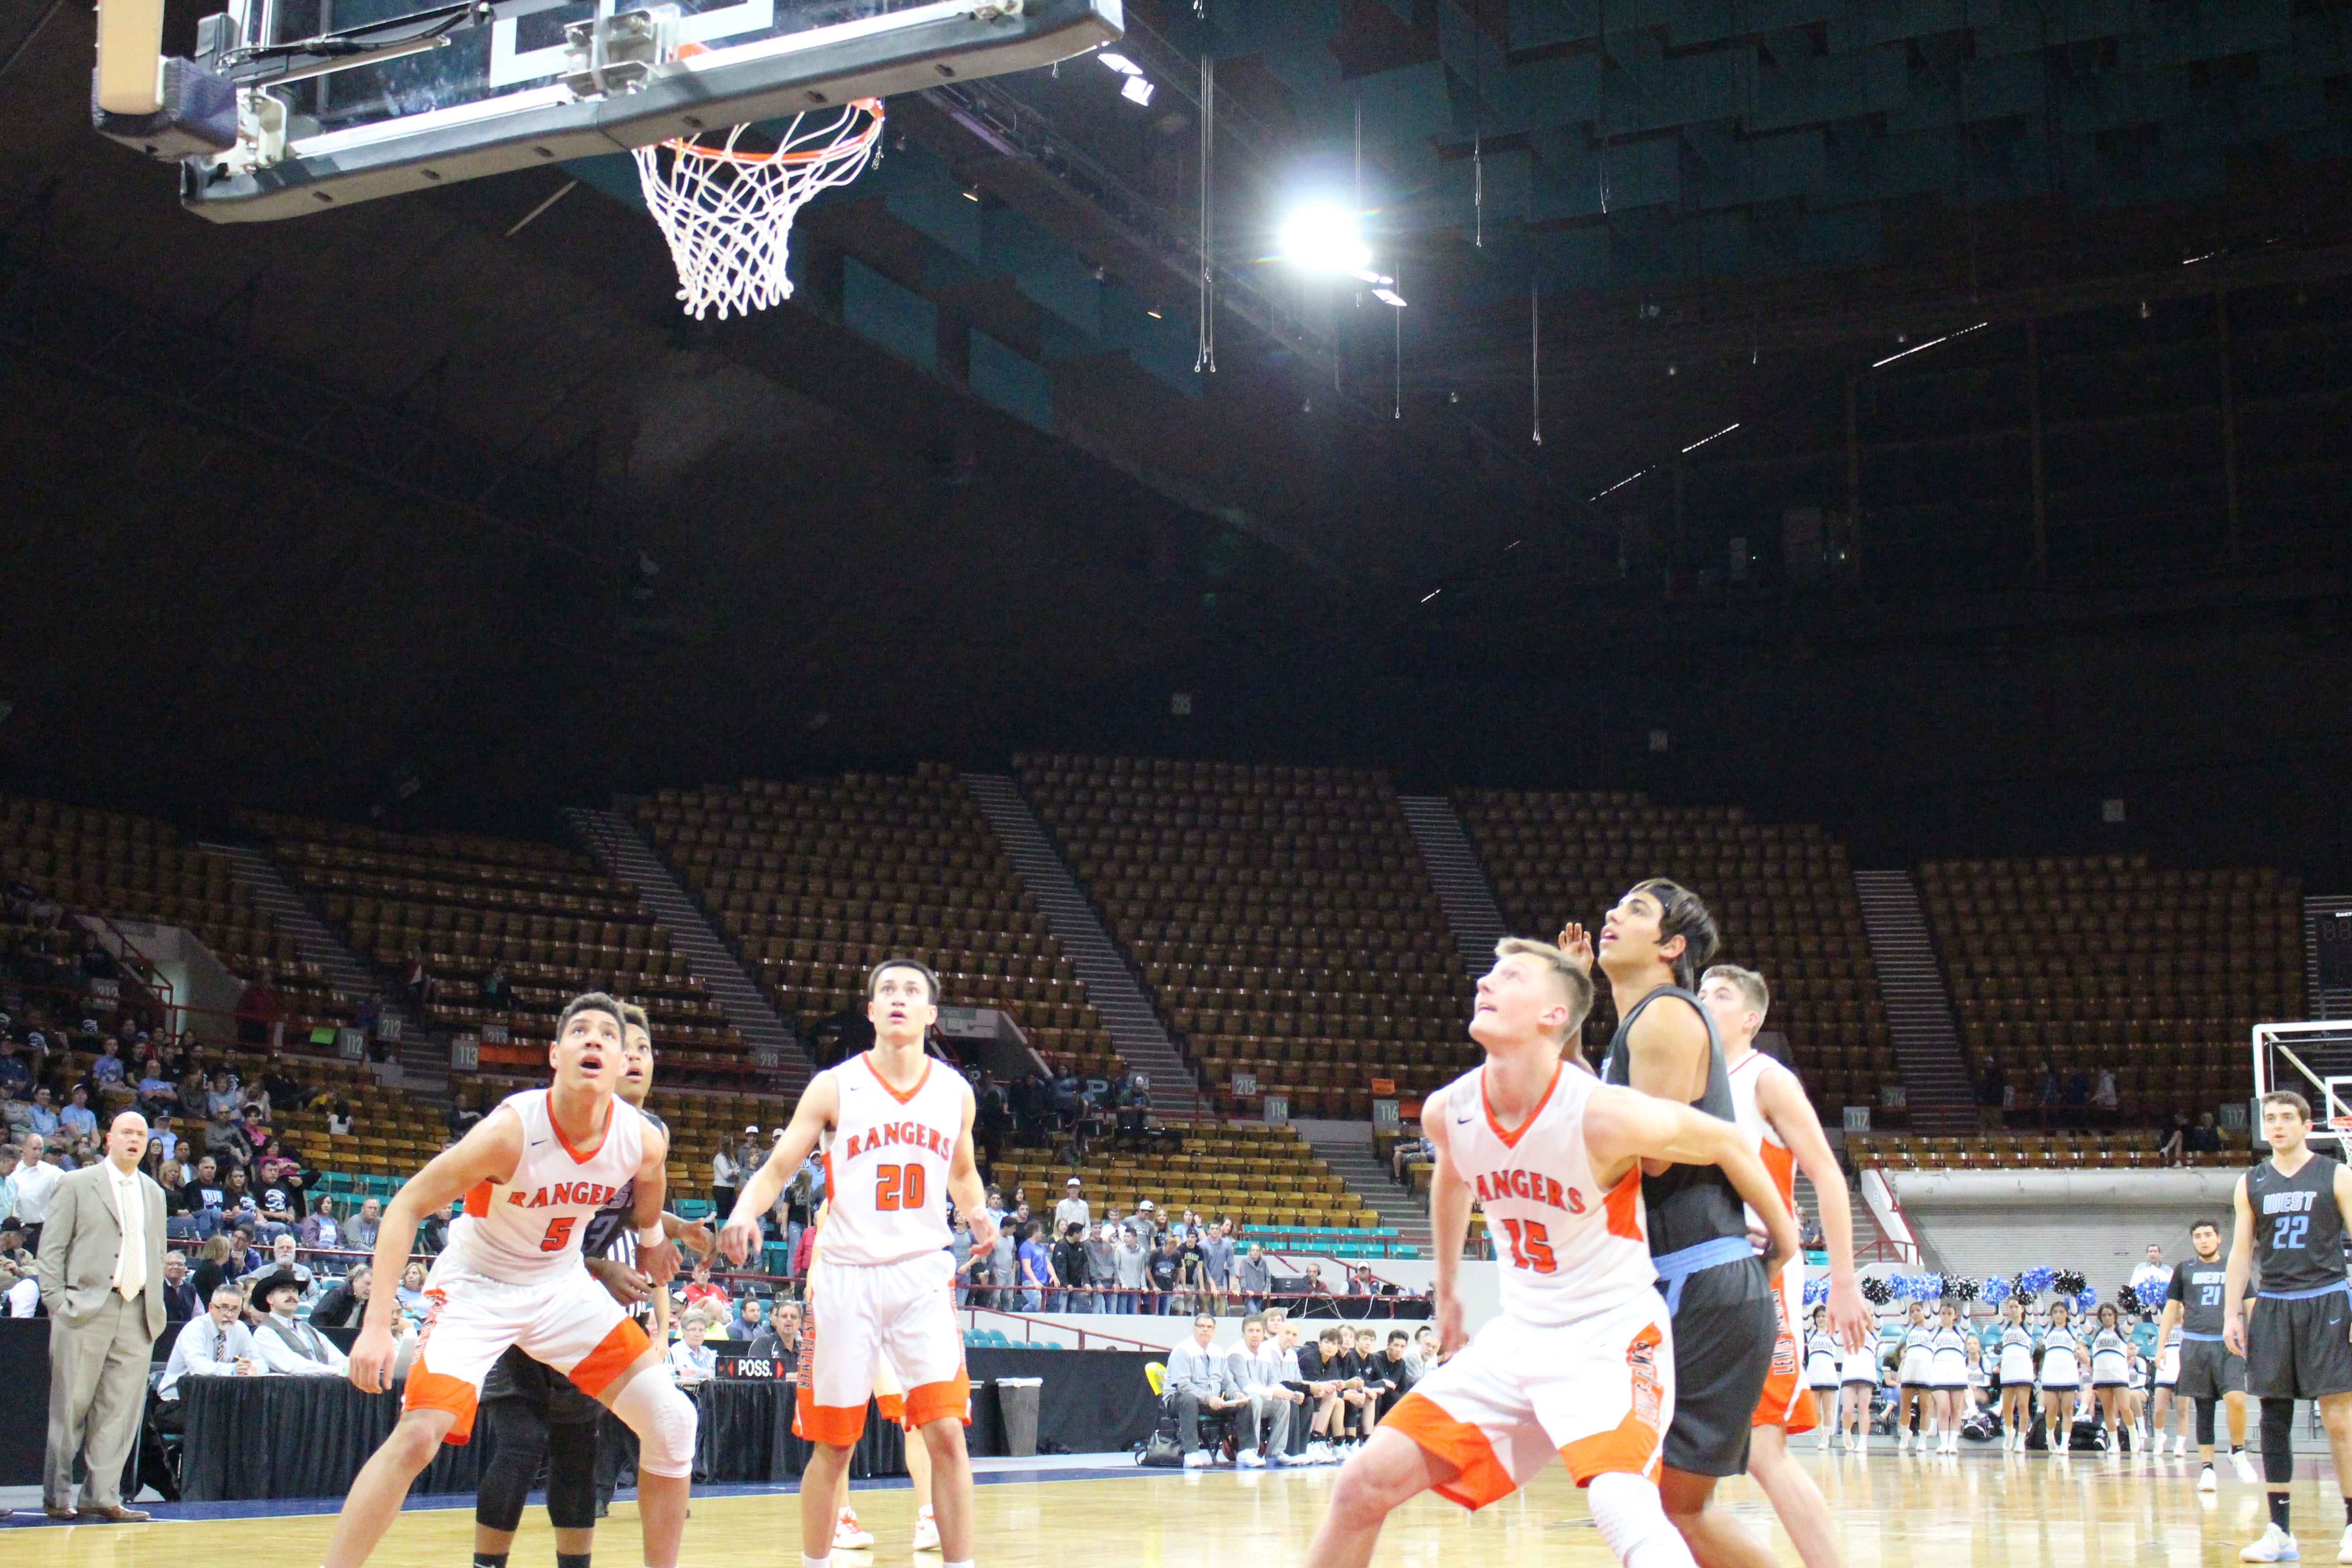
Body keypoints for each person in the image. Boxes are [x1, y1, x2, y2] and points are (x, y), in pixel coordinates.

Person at [1303, 938, 1795, 1568]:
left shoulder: (1601, 1114)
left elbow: (1726, 1139)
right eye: (1489, 974)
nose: (1485, 983)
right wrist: (1447, 1289)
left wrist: (1782, 1233)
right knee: (1361, 1485)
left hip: (1611, 1339)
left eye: (1510, 977)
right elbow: (1453, 1177)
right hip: (1519, 1338)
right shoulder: (1450, 1110)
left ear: (1554, 1015)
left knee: (1624, 1505)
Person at [317, 994, 695, 1568]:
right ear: (555, 1055)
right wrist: (375, 1327)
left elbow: (652, 1177)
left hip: (561, 1288)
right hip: (479, 1286)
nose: (593, 1039)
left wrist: (651, 1239)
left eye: (607, 1034)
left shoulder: (641, 1137)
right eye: (579, 1032)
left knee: (673, 1419)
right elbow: (407, 1204)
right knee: (419, 1436)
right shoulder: (511, 1131)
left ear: (622, 1062)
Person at [718, 957, 997, 1568]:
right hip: (846, 1278)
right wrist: (743, 1212)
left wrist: (978, 1213)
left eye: (912, 990)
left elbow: (962, 1173)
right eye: (886, 990)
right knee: (835, 1445)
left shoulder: (954, 1091)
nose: (898, 997)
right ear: (870, 1011)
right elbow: (778, 1167)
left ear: (930, 1013)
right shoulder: (834, 1086)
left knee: (947, 1434)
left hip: (921, 1277)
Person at [1562, 884, 1785, 1567]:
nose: (1611, 915)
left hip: (1700, 1283)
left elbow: (1651, 1151)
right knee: (1662, 1507)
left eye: (1635, 911)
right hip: (1693, 1281)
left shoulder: (1664, 1015)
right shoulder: (1642, 1022)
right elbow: (1615, 1110)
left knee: (1675, 1511)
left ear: (1672, 946)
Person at [1700, 963, 1869, 1563]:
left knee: (1764, 1447)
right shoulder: (1684, 1082)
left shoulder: (1766, 1079)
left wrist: (1842, 1280)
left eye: (1720, 995)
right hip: (1692, 1275)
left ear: (1751, 1018)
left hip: (1759, 1272)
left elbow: (1826, 1172)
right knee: (1681, 1458)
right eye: (1700, 992)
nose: (1703, 1000)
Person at [2225, 1090, 2352, 1563]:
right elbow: (2241, 1253)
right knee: (2274, 1419)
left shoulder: (2336, 1174)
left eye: (2285, 1117)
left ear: (2306, 1125)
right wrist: (2231, 1313)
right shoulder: (2251, 1182)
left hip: (2327, 1300)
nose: (2276, 1125)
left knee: (2339, 1419)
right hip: (2274, 1305)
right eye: (2270, 1118)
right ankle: (2279, 1532)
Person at [34, 1108, 167, 1521]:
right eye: (126, 1132)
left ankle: (103, 1495)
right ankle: (58, 1496)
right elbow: (51, 1249)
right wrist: (57, 1301)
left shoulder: (154, 1192)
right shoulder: (76, 1183)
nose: (135, 1140)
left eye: (141, 1134)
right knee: (70, 1408)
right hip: (86, 1308)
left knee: (120, 1412)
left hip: (138, 1311)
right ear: (109, 1138)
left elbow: (157, 1252)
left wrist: (155, 1305)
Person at [2160, 1216, 2257, 1487]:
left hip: (2229, 1345)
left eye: (2208, 1235)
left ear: (2219, 1238)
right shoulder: (2184, 1270)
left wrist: (2258, 1341)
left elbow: (2251, 1304)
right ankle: (2207, 1469)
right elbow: (2171, 1309)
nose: (2203, 1240)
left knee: (2237, 1399)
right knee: (2204, 1408)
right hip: (2195, 1345)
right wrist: (2161, 1346)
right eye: (2198, 1236)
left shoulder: (2234, 1266)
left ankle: (2238, 1451)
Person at [155, 1282, 260, 1430]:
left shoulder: (241, 1329)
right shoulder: (195, 1329)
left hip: (215, 1402)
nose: (229, 1314)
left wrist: (252, 1368)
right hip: (178, 1402)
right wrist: (233, 1370)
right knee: (224, 1422)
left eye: (235, 1309)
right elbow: (199, 1368)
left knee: (252, 1417)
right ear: (211, 1308)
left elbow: (260, 1362)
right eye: (224, 1308)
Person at [1226, 1310, 1305, 1465]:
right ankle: (1249, 1452)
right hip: (1239, 1402)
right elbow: (1246, 1387)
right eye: (1251, 1331)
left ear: (1263, 1334)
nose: (1255, 1335)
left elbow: (1274, 1383)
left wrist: (1291, 1394)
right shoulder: (1236, 1353)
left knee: (1283, 1403)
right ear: (1243, 1334)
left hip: (1262, 1399)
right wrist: (1275, 1393)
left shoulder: (1266, 1353)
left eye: (1258, 1331)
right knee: (1255, 1400)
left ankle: (1276, 1453)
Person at [1165, 1312, 1239, 1467]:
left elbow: (1228, 1382)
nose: (1205, 1330)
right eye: (1201, 1326)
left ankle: (1246, 1451)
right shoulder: (1182, 1351)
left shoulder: (1219, 1352)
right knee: (1188, 1399)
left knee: (1245, 1403)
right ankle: (1191, 1453)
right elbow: (1183, 1386)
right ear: (1194, 1329)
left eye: (1209, 1327)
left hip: (1213, 1402)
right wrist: (1208, 1399)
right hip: (1180, 1401)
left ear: (1214, 1331)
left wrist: (1237, 1395)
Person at [250, 1266, 351, 1375]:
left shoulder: (308, 1329)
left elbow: (337, 1357)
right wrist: (337, 1371)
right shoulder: (264, 1332)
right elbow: (293, 1366)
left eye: (294, 1291)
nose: (291, 1295)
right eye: (284, 1291)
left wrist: (351, 1370)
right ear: (270, 1299)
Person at [1993, 1296, 2038, 1452]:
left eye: (2016, 1307)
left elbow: (2031, 1312)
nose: (2013, 1310)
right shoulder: (2004, 1326)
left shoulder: (2027, 1326)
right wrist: (1995, 1296)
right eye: (2011, 1307)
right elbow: (1996, 1311)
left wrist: (2028, 1296)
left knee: (2023, 1406)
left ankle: (2021, 1441)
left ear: (2022, 1309)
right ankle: (2009, 1434)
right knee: (2007, 1407)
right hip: (2007, 1370)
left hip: (2023, 1370)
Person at [1927, 1301, 1970, 1455]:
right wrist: (1932, 1300)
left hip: (1957, 1374)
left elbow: (1967, 1316)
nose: (1946, 1316)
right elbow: (1928, 1313)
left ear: (1955, 1316)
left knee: (1956, 1410)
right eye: (1943, 1313)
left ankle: (1953, 1443)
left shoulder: (1961, 1331)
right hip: (1939, 1374)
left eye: (1950, 1314)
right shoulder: (1934, 1331)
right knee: (1943, 1409)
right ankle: (1943, 1443)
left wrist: (1966, 1300)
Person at [2038, 1300, 2080, 1455]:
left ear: (2067, 1314)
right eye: (2055, 1312)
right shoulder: (2047, 1329)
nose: (2058, 1315)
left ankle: (2064, 1444)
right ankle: (2050, 1438)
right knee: (2052, 1409)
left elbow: (2076, 1313)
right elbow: (2041, 1313)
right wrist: (2039, 1294)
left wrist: (2072, 1295)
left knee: (2067, 1410)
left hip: (2068, 1372)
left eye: (2062, 1312)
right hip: (2051, 1373)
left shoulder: (2072, 1329)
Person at [1893, 1301, 1934, 1449]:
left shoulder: (1933, 1329)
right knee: (1905, 1405)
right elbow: (1902, 1308)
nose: (1915, 1314)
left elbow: (1933, 1306)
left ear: (1925, 1312)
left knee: (1925, 1407)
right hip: (1910, 1370)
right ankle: (1905, 1435)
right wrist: (1899, 1298)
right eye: (1913, 1311)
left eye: (1918, 1310)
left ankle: (1922, 1440)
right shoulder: (1910, 1328)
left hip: (1925, 1371)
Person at [1803, 1308, 1843, 1454]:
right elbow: (1804, 1315)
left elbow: (1838, 1315)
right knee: (1815, 1410)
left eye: (1824, 1316)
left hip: (1828, 1376)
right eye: (1818, 1316)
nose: (1821, 1319)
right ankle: (1822, 1435)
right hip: (1813, 1376)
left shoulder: (1834, 1334)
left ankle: (1826, 1439)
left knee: (1828, 1409)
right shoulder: (1811, 1333)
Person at [1838, 1314, 1879, 1453]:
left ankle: (1863, 1442)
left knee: (1863, 1408)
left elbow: (1878, 1314)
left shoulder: (1874, 1333)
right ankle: (1846, 1432)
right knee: (1847, 1410)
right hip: (1850, 1371)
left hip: (1867, 1372)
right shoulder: (1849, 1331)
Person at [312, 1262, 374, 1329]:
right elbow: (316, 1319)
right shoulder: (337, 1294)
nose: (370, 1289)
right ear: (355, 1281)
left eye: (374, 1285)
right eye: (367, 1284)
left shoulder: (372, 1302)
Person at [667, 1309, 718, 1383]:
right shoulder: (677, 1349)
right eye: (693, 1330)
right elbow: (692, 1372)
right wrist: (712, 1374)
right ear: (683, 1331)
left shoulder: (706, 1352)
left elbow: (717, 1368)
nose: (697, 1334)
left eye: (701, 1330)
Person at [161, 1248, 202, 1322]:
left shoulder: (191, 1289)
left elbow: (199, 1316)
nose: (176, 1267)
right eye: (171, 1264)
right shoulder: (158, 1288)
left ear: (185, 1268)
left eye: (180, 1264)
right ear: (164, 1267)